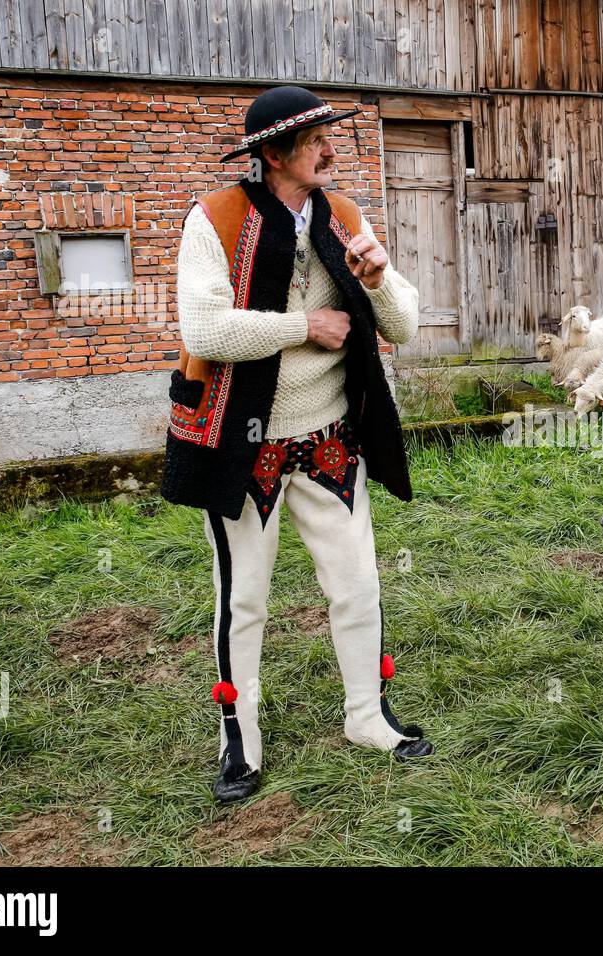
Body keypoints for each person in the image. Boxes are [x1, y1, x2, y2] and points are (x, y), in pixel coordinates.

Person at [160, 85, 433, 805]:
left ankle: (366, 717)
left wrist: (374, 285)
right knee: (242, 600)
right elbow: (205, 332)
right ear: (273, 154)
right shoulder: (211, 219)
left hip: (331, 441)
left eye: (328, 134)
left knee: (358, 586)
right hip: (241, 447)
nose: (329, 148)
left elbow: (403, 325)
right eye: (313, 139)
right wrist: (303, 326)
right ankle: (239, 742)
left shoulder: (343, 216)